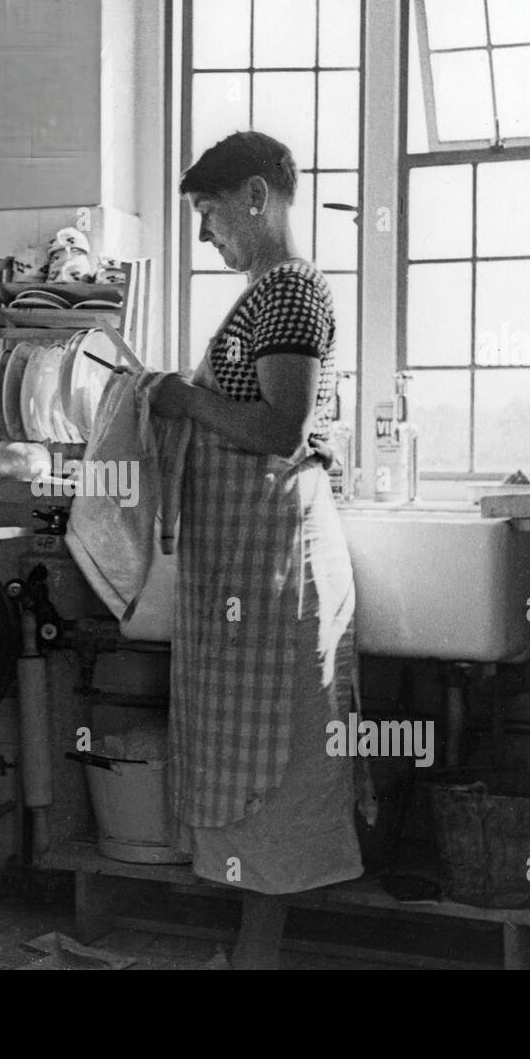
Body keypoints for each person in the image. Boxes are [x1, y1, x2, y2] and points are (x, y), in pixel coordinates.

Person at [150, 130, 365, 969]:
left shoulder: (289, 293)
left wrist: (176, 397)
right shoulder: (273, 296)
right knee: (262, 758)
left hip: (274, 571)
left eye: (210, 214)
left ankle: (257, 955)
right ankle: (252, 950)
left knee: (277, 763)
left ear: (255, 198)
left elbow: (280, 428)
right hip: (257, 567)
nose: (206, 236)